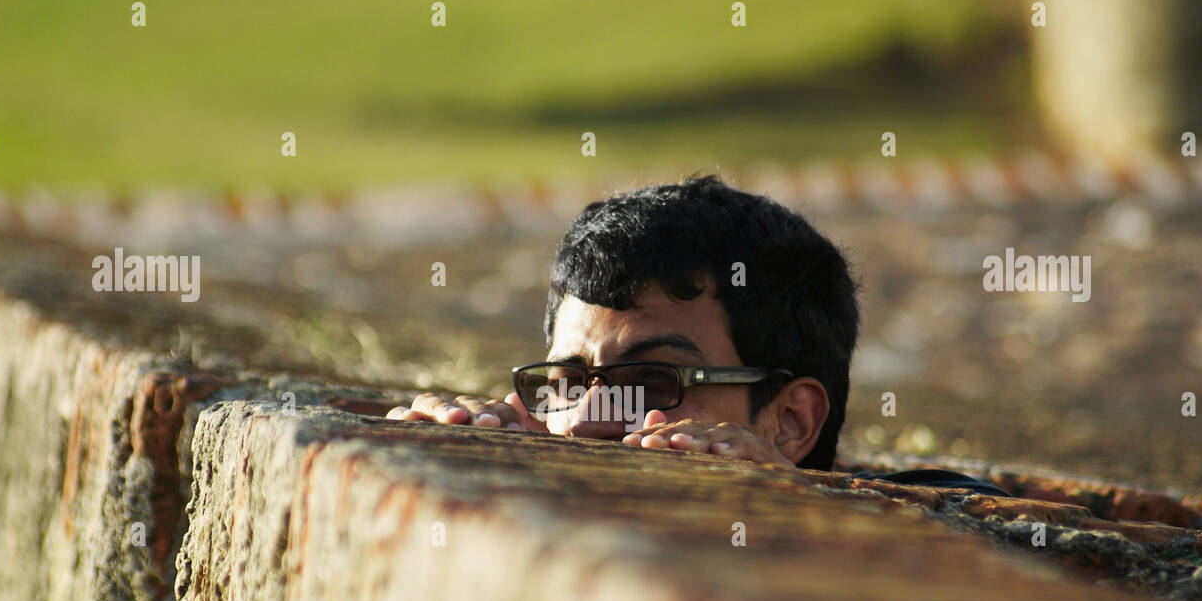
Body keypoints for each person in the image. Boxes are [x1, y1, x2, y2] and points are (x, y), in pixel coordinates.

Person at [388, 175, 1006, 496]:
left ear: (789, 422)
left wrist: (800, 506)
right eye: (566, 385)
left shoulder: (934, 522)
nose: (583, 420)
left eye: (654, 381)